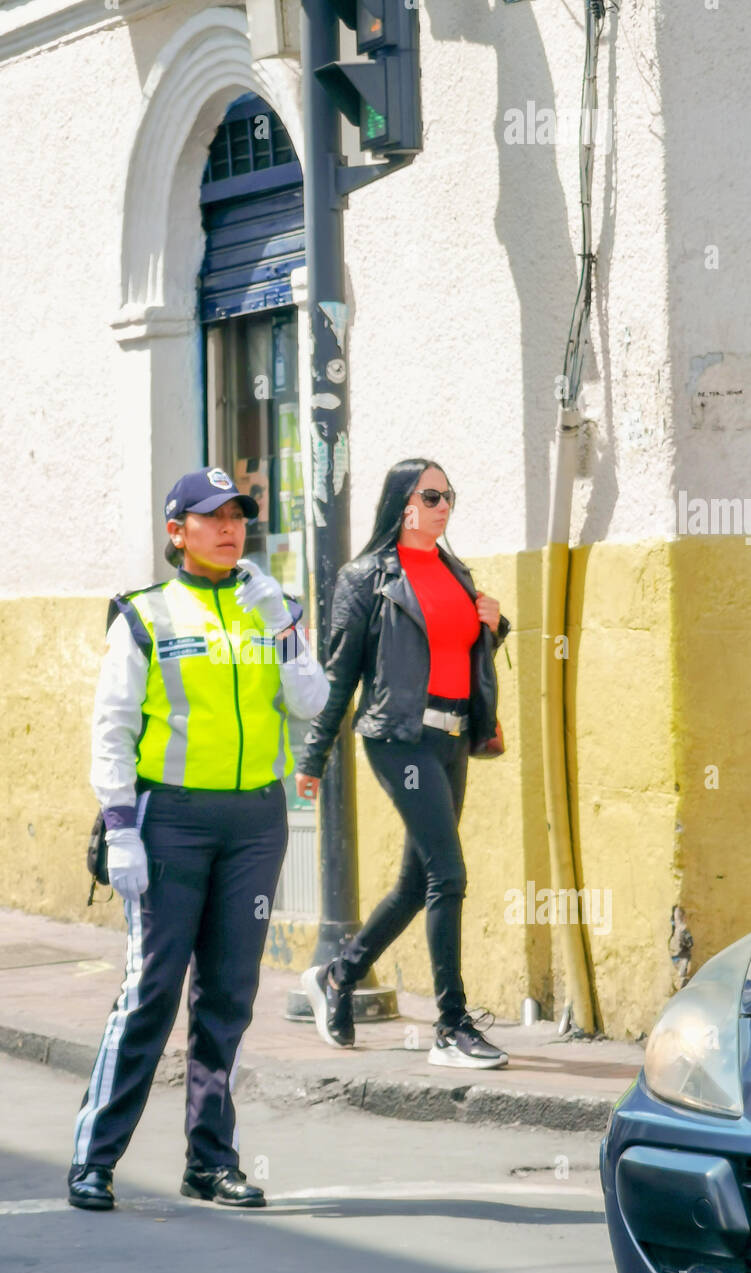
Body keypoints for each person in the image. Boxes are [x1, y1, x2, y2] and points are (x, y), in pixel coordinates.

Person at [69, 467, 329, 1211]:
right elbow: (112, 727)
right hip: (171, 821)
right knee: (150, 991)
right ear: (175, 532)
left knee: (227, 999)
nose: (229, 528)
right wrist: (121, 826)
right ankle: (95, 1159)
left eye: (238, 517)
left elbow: (311, 704)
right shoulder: (145, 615)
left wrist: (283, 625)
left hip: (254, 821)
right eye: (210, 517)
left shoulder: (268, 608)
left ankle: (209, 1162)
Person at [295, 459, 511, 1069]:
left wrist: (495, 625)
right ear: (403, 504)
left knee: (417, 884)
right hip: (398, 739)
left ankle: (338, 975)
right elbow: (341, 675)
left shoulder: (454, 571)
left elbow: (464, 650)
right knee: (450, 874)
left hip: (452, 737)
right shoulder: (366, 577)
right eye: (433, 495)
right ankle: (452, 1025)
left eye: (450, 496)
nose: (444, 507)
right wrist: (314, 756)